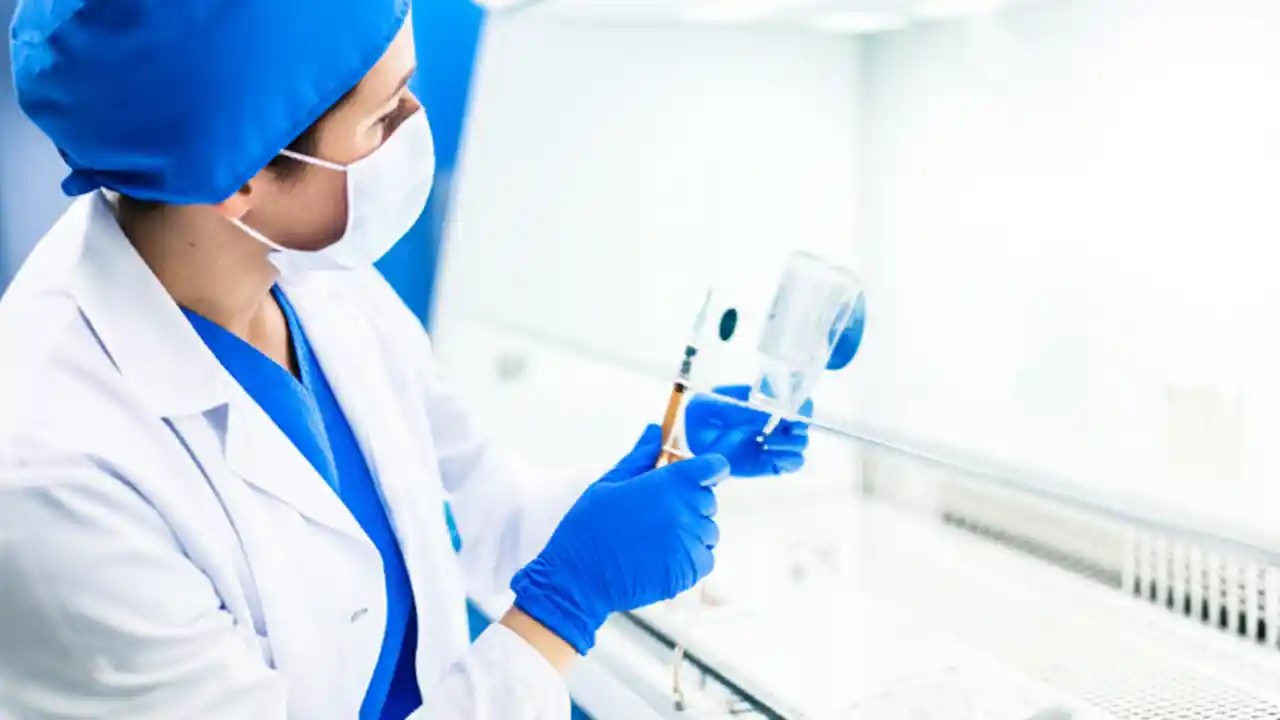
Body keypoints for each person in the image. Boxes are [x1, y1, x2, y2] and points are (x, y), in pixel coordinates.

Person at [0, 1, 866, 718]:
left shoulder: (315, 276)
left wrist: (652, 468)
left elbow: (486, 511)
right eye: (385, 116)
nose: (417, 135)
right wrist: (566, 605)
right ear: (236, 176)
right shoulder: (51, 472)